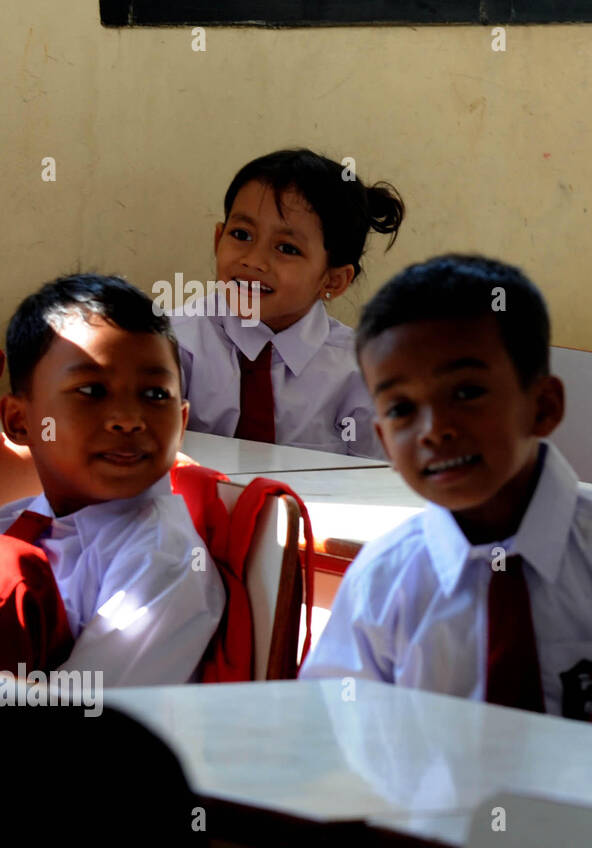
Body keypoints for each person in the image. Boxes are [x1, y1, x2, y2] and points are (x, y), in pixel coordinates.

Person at [299, 254, 592, 745]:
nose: (434, 430)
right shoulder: (385, 576)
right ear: (381, 436)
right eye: (401, 409)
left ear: (544, 406)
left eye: (467, 392)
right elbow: (334, 729)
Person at [0, 274, 223, 683]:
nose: (128, 420)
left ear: (183, 420)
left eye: (155, 395)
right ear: (19, 422)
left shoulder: (161, 562)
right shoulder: (17, 522)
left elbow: (87, 711)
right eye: (92, 391)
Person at [173, 148, 404, 458]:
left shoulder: (359, 371)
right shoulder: (174, 344)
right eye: (241, 234)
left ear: (333, 281)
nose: (253, 261)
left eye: (286, 248)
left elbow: (378, 486)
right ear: (218, 240)